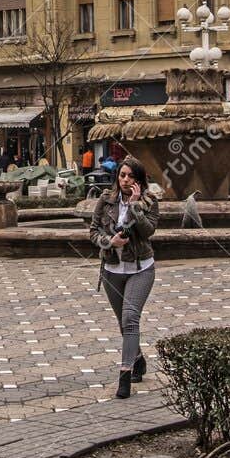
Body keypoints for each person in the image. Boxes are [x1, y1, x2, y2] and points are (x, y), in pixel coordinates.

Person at [87, 156, 159, 400]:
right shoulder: (106, 200)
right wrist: (109, 241)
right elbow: (93, 231)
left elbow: (148, 231)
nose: (125, 179)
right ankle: (137, 359)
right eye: (122, 175)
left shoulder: (149, 201)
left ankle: (125, 375)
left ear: (139, 179)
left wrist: (136, 206)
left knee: (130, 317)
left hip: (141, 269)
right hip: (112, 270)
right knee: (123, 322)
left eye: (130, 176)